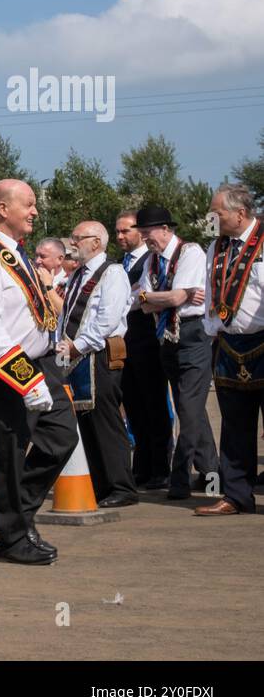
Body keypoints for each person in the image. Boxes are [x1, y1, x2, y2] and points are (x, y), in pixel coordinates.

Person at [0, 180, 77, 565]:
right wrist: (26, 380)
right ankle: (11, 537)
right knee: (9, 453)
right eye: (28, 204)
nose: (35, 211)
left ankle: (19, 516)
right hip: (3, 369)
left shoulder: (14, 253)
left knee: (62, 437)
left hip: (37, 362)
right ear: (3, 209)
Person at [135, 205, 217, 500]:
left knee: (189, 410)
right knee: (191, 408)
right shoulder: (152, 261)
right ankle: (212, 477)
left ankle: (180, 477)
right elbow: (147, 302)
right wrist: (164, 297)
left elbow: (172, 296)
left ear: (166, 230)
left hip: (193, 334)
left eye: (148, 233)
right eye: (143, 234)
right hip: (167, 339)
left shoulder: (190, 252)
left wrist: (161, 297)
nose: (146, 239)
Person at [54, 221, 137, 507]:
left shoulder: (112, 273)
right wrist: (62, 344)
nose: (72, 243)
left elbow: (107, 320)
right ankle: (101, 485)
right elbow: (65, 315)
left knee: (106, 421)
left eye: (78, 238)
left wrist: (77, 345)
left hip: (98, 355)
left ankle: (121, 487)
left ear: (96, 243)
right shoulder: (78, 275)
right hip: (76, 356)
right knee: (86, 423)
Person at [195, 184, 263, 516]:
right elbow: (211, 292)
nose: (213, 217)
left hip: (263, 339)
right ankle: (237, 495)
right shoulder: (217, 247)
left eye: (217, 212)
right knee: (234, 425)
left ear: (240, 212)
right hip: (228, 344)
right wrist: (212, 332)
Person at [115, 210, 171, 489]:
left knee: (155, 406)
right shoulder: (118, 265)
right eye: (117, 232)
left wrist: (138, 297)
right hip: (125, 344)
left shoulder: (150, 262)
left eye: (126, 230)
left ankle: (161, 468)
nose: (120, 236)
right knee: (134, 407)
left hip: (148, 341)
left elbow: (140, 299)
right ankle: (142, 467)